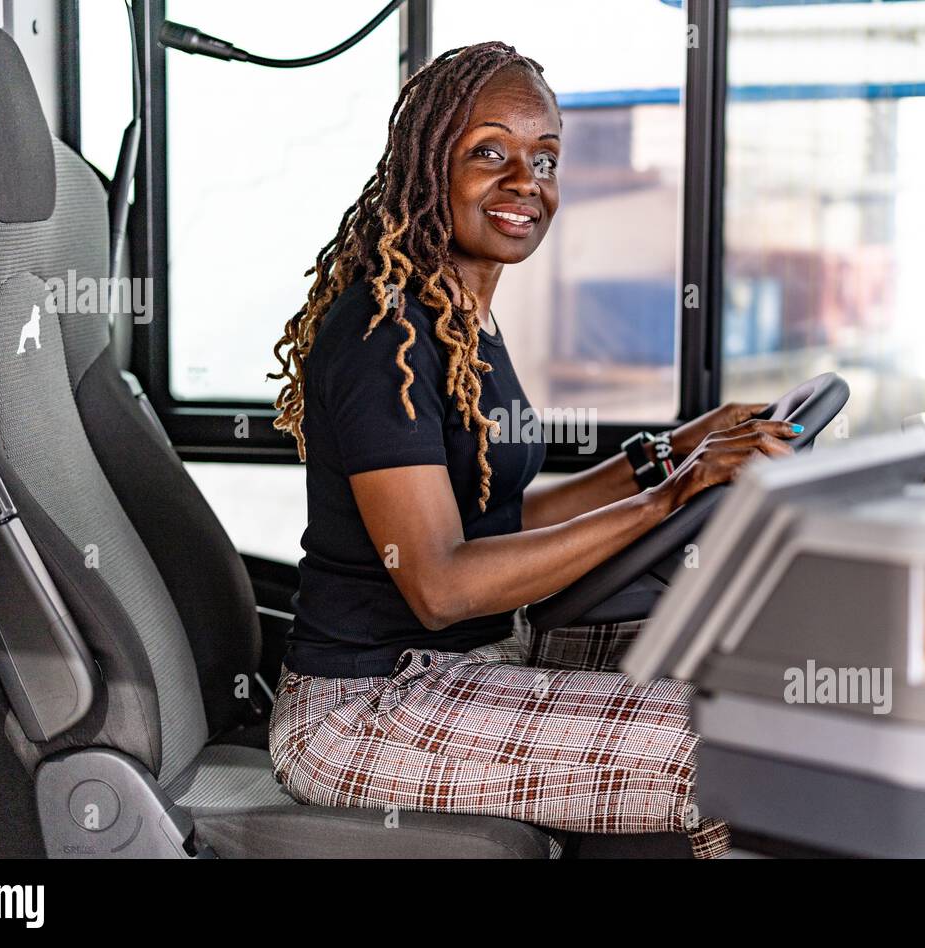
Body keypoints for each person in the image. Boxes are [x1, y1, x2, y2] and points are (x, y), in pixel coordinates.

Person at [266, 41, 799, 858]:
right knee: (733, 748)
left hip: (469, 657)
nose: (526, 184)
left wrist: (671, 454)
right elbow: (442, 584)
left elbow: (499, 517)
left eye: (544, 159)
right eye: (489, 153)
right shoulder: (387, 339)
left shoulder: (461, 317)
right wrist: (670, 494)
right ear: (425, 166)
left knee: (759, 678)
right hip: (364, 708)